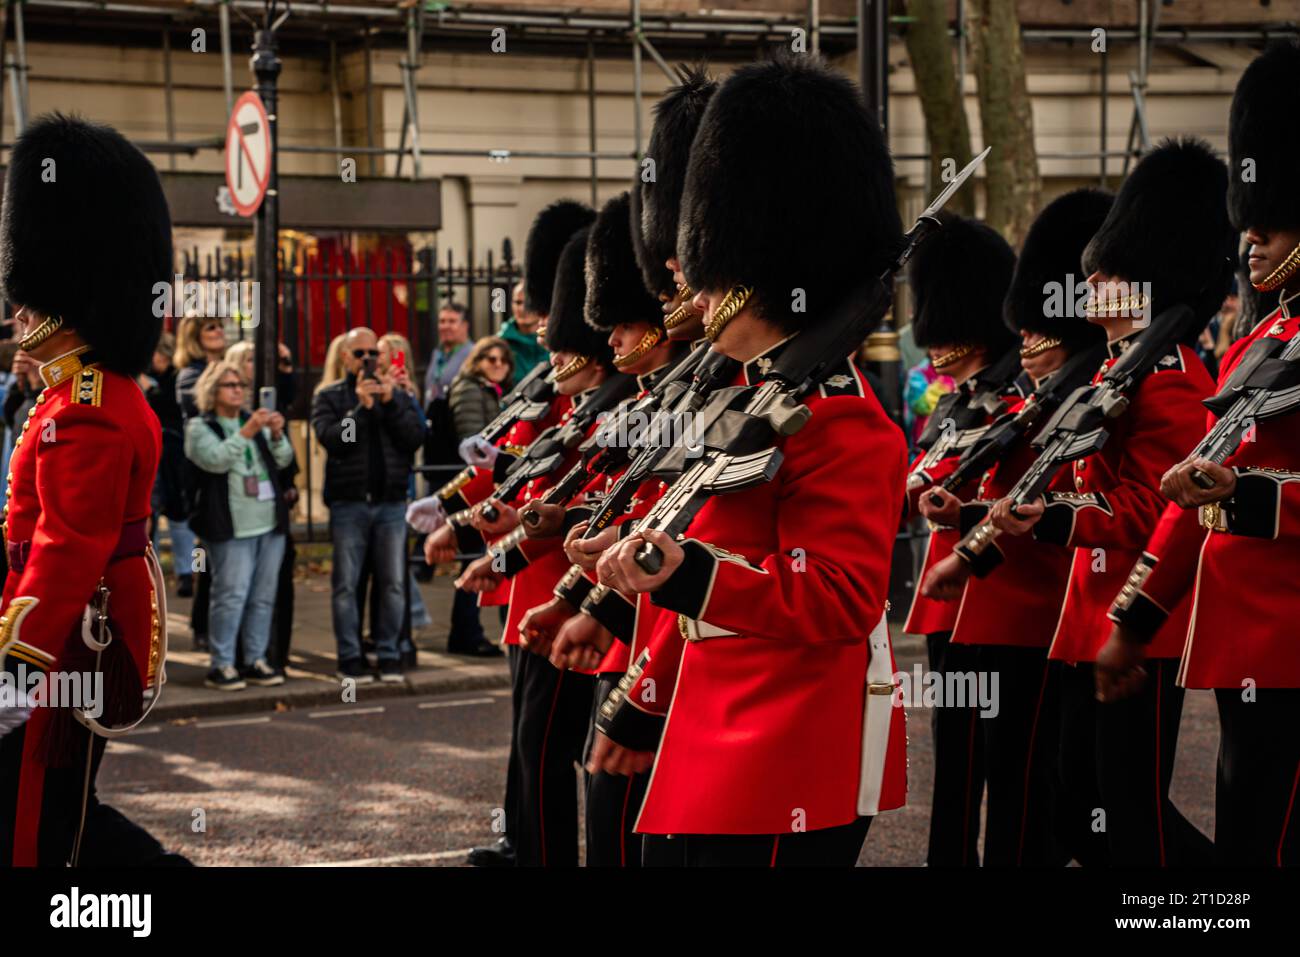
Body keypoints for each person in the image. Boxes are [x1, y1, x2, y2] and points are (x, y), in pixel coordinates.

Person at [585, 54, 909, 867]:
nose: (687, 289)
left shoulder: (839, 418)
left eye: (706, 270)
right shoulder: (752, 395)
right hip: (714, 734)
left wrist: (682, 570)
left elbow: (839, 598)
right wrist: (635, 567)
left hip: (790, 751)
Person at [945, 139, 1232, 867]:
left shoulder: (1168, 376)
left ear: (1145, 279)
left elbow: (1153, 507)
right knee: (1077, 806)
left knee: (1132, 822)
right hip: (1081, 621)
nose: (1089, 279)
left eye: (1106, 270)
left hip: (1137, 624)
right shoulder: (1117, 369)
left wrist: (1061, 518)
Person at [1099, 40, 1300, 867]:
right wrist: (1135, 620)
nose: (1248, 235)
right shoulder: (1262, 337)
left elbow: (1237, 488)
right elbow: (1196, 492)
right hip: (1247, 650)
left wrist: (1252, 497)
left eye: (1274, 218)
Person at [0, 113, 184, 866]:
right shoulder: (67, 395)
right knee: (58, 808)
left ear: (72, 298)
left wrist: (18, 665)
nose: (17, 316)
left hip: (70, 636)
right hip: (50, 625)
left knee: (39, 819)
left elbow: (68, 549)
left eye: (30, 302)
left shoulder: (92, 407)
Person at [923, 188, 1113, 866]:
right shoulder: (983, 404)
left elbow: (1057, 505)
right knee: (963, 769)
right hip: (966, 607)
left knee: (1028, 790)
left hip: (1028, 610)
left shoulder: (1052, 401)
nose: (1028, 337)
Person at [902, 212, 1019, 867]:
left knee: (1000, 765)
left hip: (993, 598)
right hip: (946, 602)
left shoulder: (1014, 396)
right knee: (953, 756)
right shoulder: (955, 401)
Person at [311, 326, 426, 683]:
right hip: (350, 505)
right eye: (359, 354)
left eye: (372, 353)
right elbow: (334, 440)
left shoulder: (399, 396)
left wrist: (391, 403)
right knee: (346, 584)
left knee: (392, 583)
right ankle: (350, 658)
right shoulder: (330, 396)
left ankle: (389, 654)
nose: (367, 360)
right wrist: (360, 409)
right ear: (345, 358)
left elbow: (414, 438)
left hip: (391, 504)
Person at [184, 360, 294, 690]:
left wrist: (275, 435)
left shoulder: (251, 421)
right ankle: (222, 664)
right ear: (212, 391)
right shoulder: (200, 427)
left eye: (240, 386)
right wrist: (246, 433)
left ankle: (255, 659)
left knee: (263, 595)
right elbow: (215, 460)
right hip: (230, 526)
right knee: (230, 595)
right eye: (230, 385)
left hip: (267, 522)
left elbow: (283, 459)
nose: (237, 391)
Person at [441, 337, 514, 657]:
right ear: (477, 361)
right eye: (490, 359)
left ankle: (483, 630)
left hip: (494, 484)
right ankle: (466, 634)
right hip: (477, 486)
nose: (497, 364)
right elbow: (473, 443)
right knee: (476, 560)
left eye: (502, 360)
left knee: (495, 559)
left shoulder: (497, 391)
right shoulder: (471, 388)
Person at [140, 332, 197, 597]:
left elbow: (168, 407)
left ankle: (185, 572)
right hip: (155, 454)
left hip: (173, 455)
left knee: (178, 513)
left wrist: (150, 389)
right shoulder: (146, 377)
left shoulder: (174, 379)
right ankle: (153, 571)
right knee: (150, 514)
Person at [174, 314, 228, 420]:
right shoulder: (190, 375)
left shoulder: (226, 367)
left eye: (221, 326)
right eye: (211, 328)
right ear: (194, 337)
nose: (219, 331)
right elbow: (201, 413)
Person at [499, 282, 548, 389]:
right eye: (518, 302)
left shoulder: (555, 342)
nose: (522, 308)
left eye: (529, 303)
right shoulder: (500, 344)